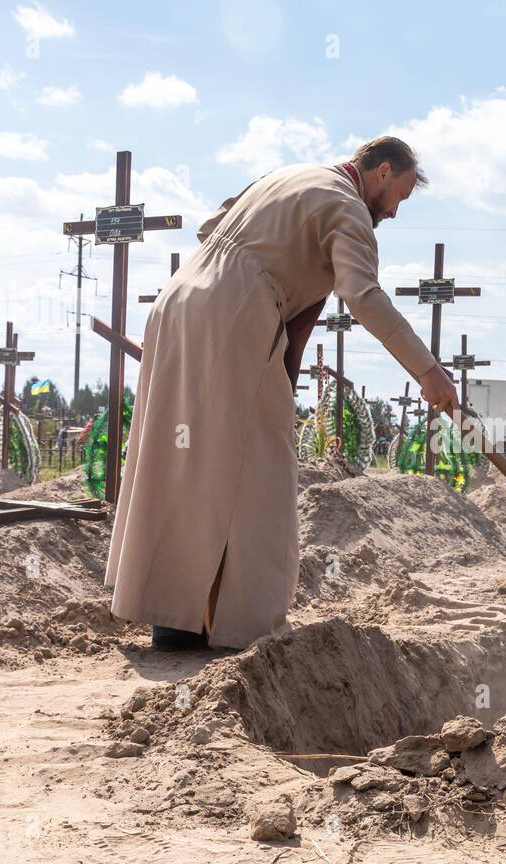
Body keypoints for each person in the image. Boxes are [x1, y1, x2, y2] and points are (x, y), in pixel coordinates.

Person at [105, 137, 458, 652]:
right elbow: (363, 295)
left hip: (181, 299)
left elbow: (212, 227)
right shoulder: (347, 205)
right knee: (261, 468)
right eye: (399, 197)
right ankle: (239, 625)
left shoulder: (288, 176)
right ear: (382, 172)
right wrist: (427, 371)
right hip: (235, 313)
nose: (394, 213)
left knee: (184, 458)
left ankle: (175, 619)